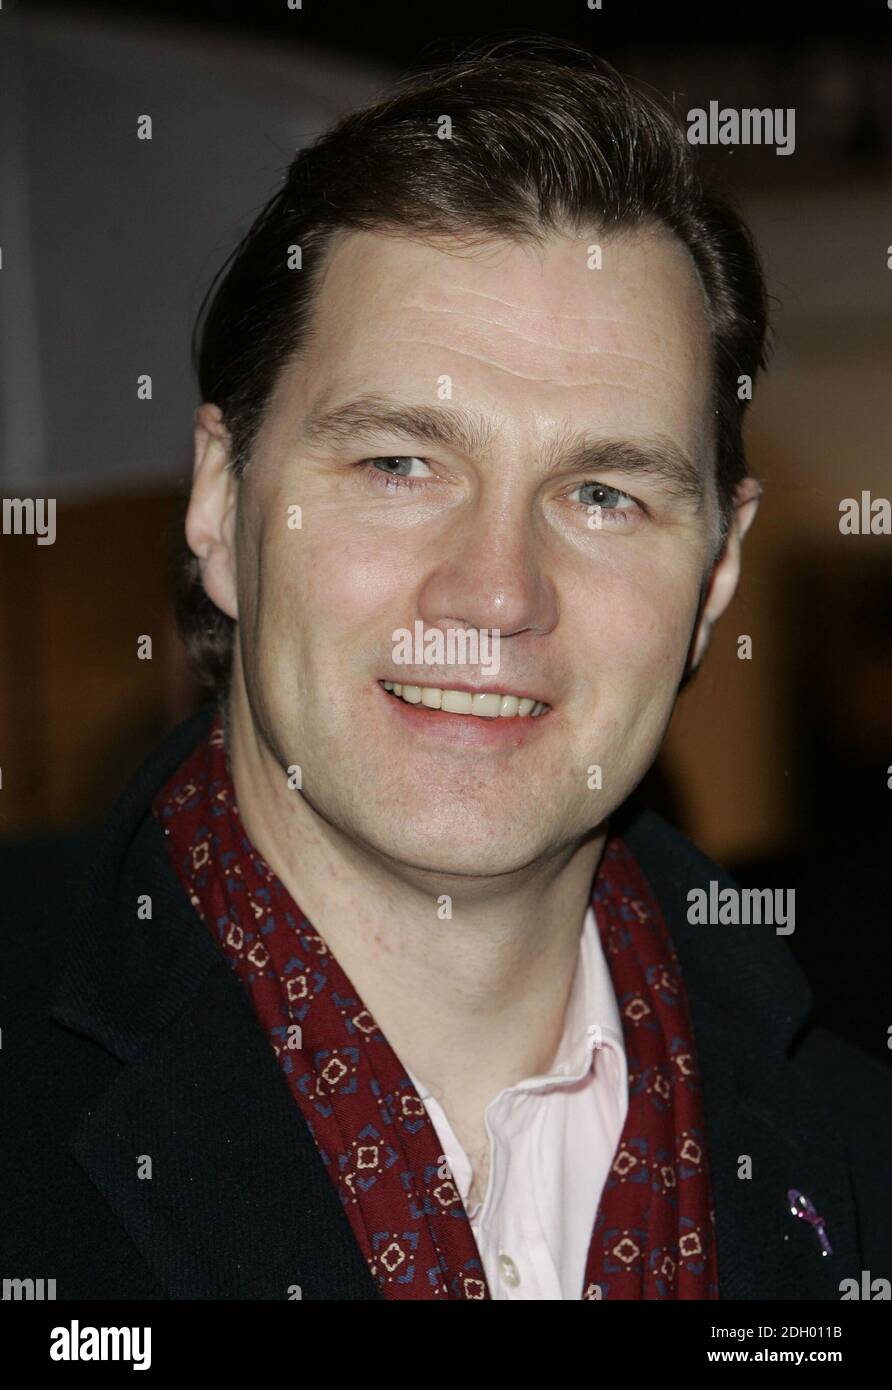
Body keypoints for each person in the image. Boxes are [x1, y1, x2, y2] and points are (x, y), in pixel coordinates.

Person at [2, 36, 890, 1302]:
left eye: (600, 492)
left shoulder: (858, 1154)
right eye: (397, 466)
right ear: (218, 501)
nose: (493, 591)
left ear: (716, 576)